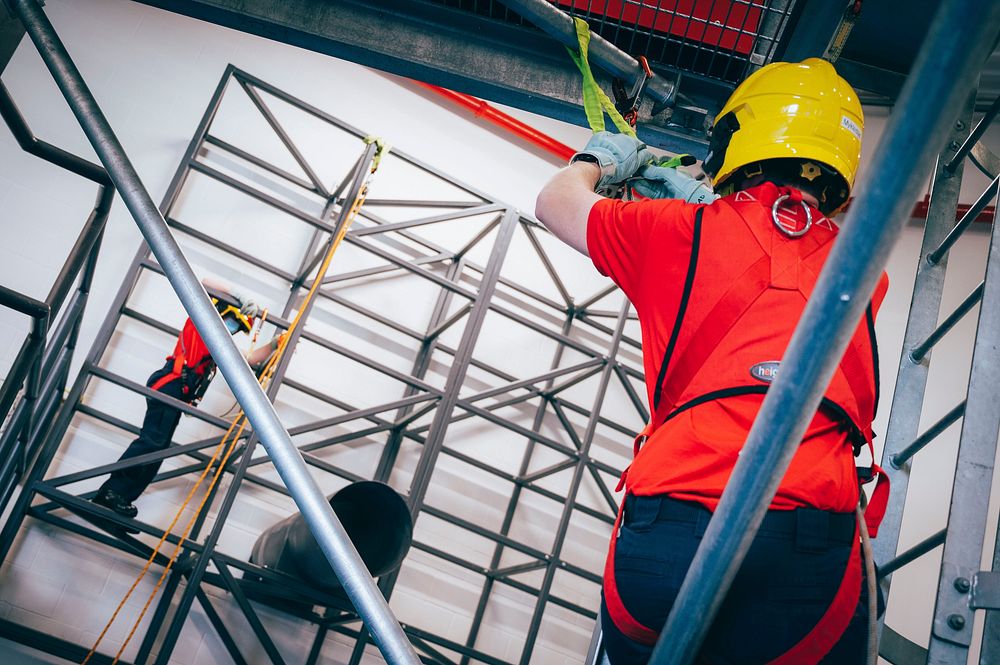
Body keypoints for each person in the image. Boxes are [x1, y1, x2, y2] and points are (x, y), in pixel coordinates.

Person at [535, 58, 887, 664]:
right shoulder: (866, 273)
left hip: (673, 519)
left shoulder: (670, 230)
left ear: (739, 138)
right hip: (810, 542)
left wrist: (598, 159)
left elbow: (555, 203)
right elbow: (781, 257)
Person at [92, 278, 283, 521]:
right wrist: (238, 294)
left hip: (176, 391)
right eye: (233, 321)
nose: (233, 328)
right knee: (152, 442)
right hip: (170, 384)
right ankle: (110, 492)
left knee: (158, 447)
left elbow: (246, 359)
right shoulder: (201, 321)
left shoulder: (217, 346)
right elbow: (203, 282)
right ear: (222, 313)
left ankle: (121, 498)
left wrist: (276, 344)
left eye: (237, 326)